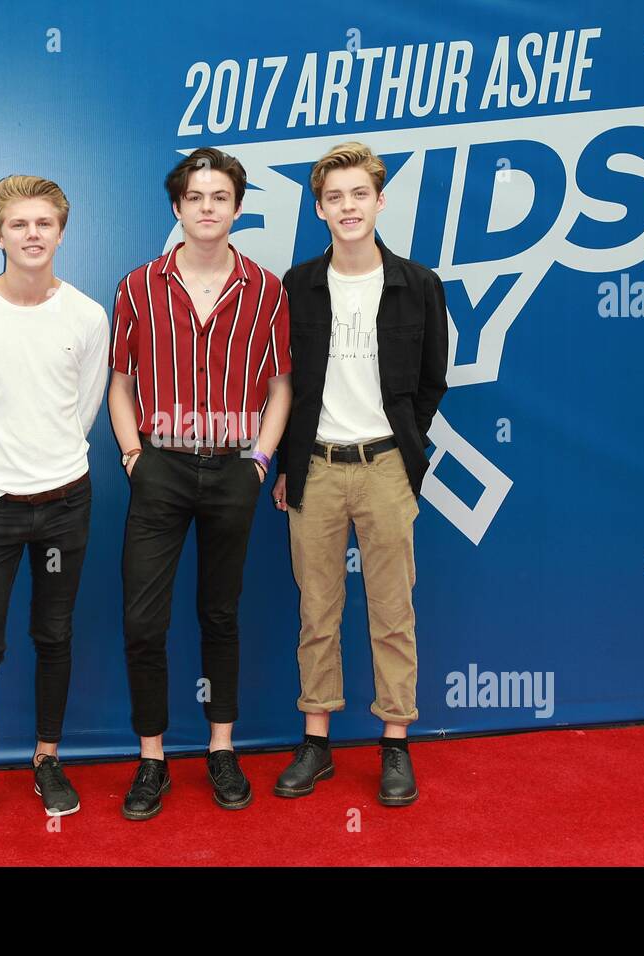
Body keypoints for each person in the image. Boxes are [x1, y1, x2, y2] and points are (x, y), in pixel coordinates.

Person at [108, 147, 292, 819]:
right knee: (143, 621)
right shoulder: (136, 287)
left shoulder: (268, 290)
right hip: (159, 467)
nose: (208, 207)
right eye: (196, 196)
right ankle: (152, 757)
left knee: (220, 613)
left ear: (237, 208)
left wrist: (259, 461)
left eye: (220, 197)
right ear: (177, 207)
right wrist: (134, 456)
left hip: (232, 472)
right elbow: (121, 383)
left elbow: (280, 387)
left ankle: (221, 747)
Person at [271, 142, 448, 806]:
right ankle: (316, 742)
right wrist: (288, 463)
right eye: (334, 197)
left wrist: (404, 458)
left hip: (384, 468)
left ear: (379, 200)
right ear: (319, 209)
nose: (348, 207)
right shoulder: (297, 286)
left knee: (392, 613)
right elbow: (283, 382)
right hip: (313, 471)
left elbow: (431, 381)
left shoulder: (419, 285)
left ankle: (394, 742)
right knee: (317, 610)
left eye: (358, 194)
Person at [0, 175, 109, 827]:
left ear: (61, 231)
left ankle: (46, 758)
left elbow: (85, 406)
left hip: (67, 507)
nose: (32, 234)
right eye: (19, 224)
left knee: (54, 633)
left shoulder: (89, 317)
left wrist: (49, 462)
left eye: (44, 223)